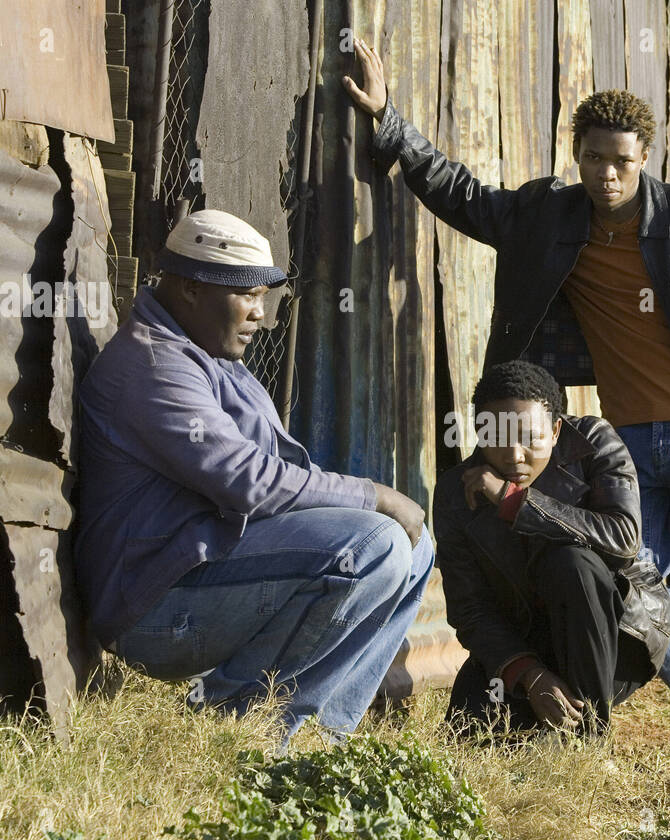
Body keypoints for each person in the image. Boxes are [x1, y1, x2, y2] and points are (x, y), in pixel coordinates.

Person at [344, 38, 670, 774]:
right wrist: (390, 122)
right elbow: (460, 193)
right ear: (577, 155)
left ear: (645, 155)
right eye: (594, 158)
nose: (607, 172)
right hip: (626, 431)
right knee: (639, 597)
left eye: (621, 158)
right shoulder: (548, 217)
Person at [74, 209, 433, 744]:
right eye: (247, 296)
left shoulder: (210, 358)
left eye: (264, 298)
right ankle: (244, 728)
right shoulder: (154, 367)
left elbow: (281, 472)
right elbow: (248, 481)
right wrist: (372, 495)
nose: (261, 316)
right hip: (152, 609)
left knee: (416, 545)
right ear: (192, 289)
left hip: (203, 572)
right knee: (377, 542)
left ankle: (320, 736)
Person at [435, 360, 670, 737]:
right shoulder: (454, 493)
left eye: (530, 437)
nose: (514, 455)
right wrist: (529, 674)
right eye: (498, 437)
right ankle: (550, 721)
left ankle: (591, 737)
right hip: (526, 642)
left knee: (572, 563)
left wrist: (515, 502)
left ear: (556, 430)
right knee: (472, 734)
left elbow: (623, 540)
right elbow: (470, 609)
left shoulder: (594, 443)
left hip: (612, 636)